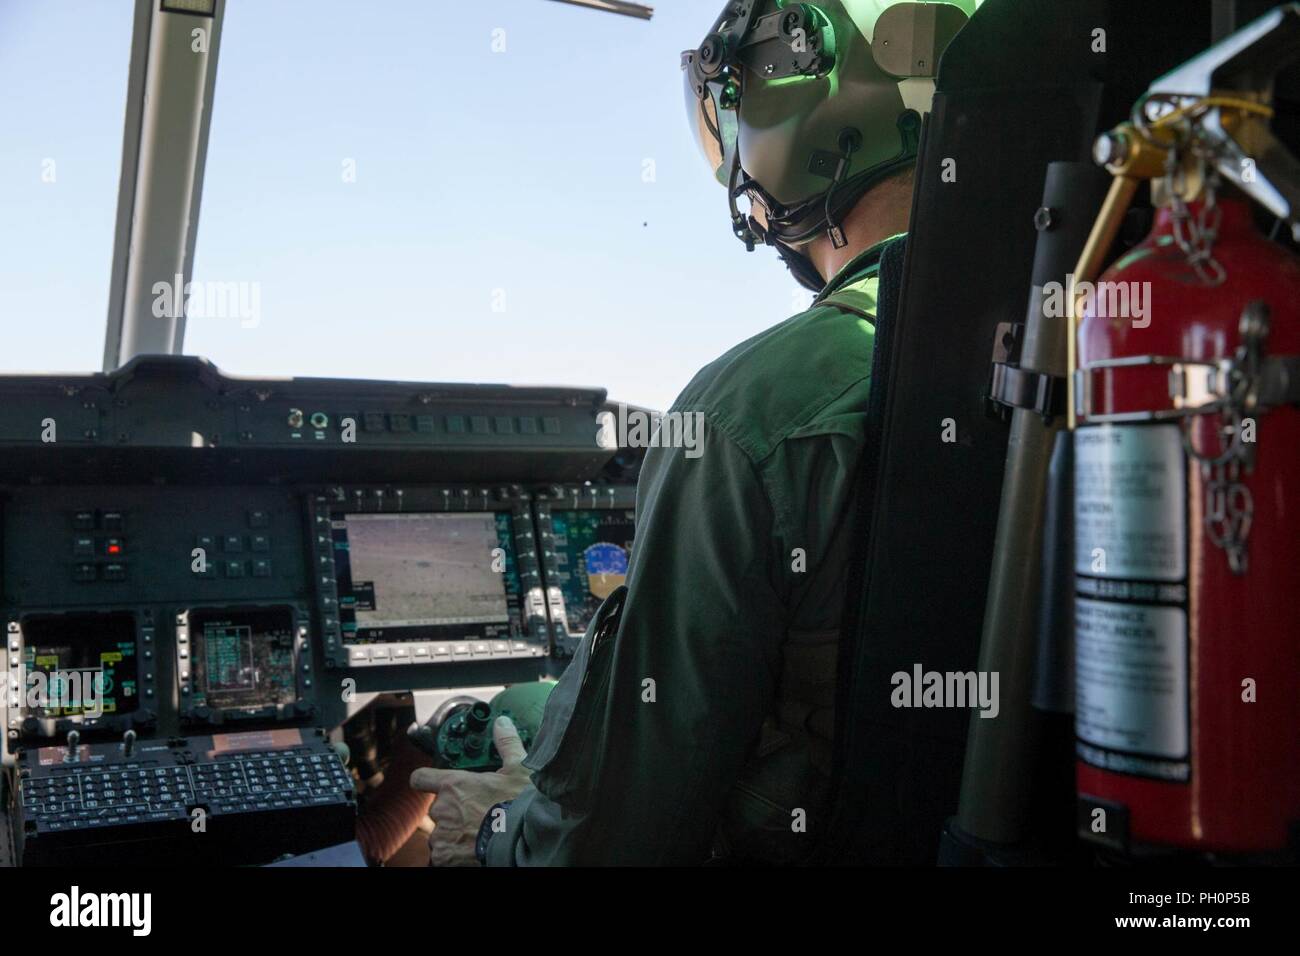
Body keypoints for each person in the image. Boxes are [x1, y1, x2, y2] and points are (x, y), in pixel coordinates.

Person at [411, 0, 979, 866]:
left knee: (476, 758)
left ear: (796, 106)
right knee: (532, 703)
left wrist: (493, 831)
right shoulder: (1087, 334)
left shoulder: (745, 413)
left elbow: (614, 846)